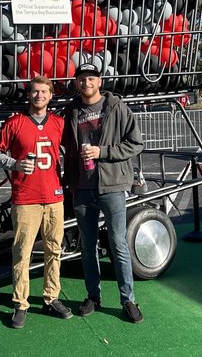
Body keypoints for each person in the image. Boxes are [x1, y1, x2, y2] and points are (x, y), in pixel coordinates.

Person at [62, 63, 145, 323]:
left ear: (99, 82)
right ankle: (93, 296)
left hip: (112, 187)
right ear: (77, 84)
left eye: (90, 78)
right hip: (82, 188)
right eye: (81, 79)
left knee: (118, 244)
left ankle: (128, 299)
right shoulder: (71, 111)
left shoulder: (117, 108)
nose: (86, 82)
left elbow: (135, 143)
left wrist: (103, 152)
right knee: (88, 247)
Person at [0, 76, 72, 329]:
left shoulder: (59, 123)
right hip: (26, 198)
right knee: (22, 253)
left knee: (54, 250)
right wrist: (15, 164)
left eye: (44, 92)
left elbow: (73, 149)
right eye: (35, 92)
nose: (39, 96)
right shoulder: (15, 122)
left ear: (50, 95)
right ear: (29, 95)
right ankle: (20, 303)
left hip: (54, 197)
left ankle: (51, 297)